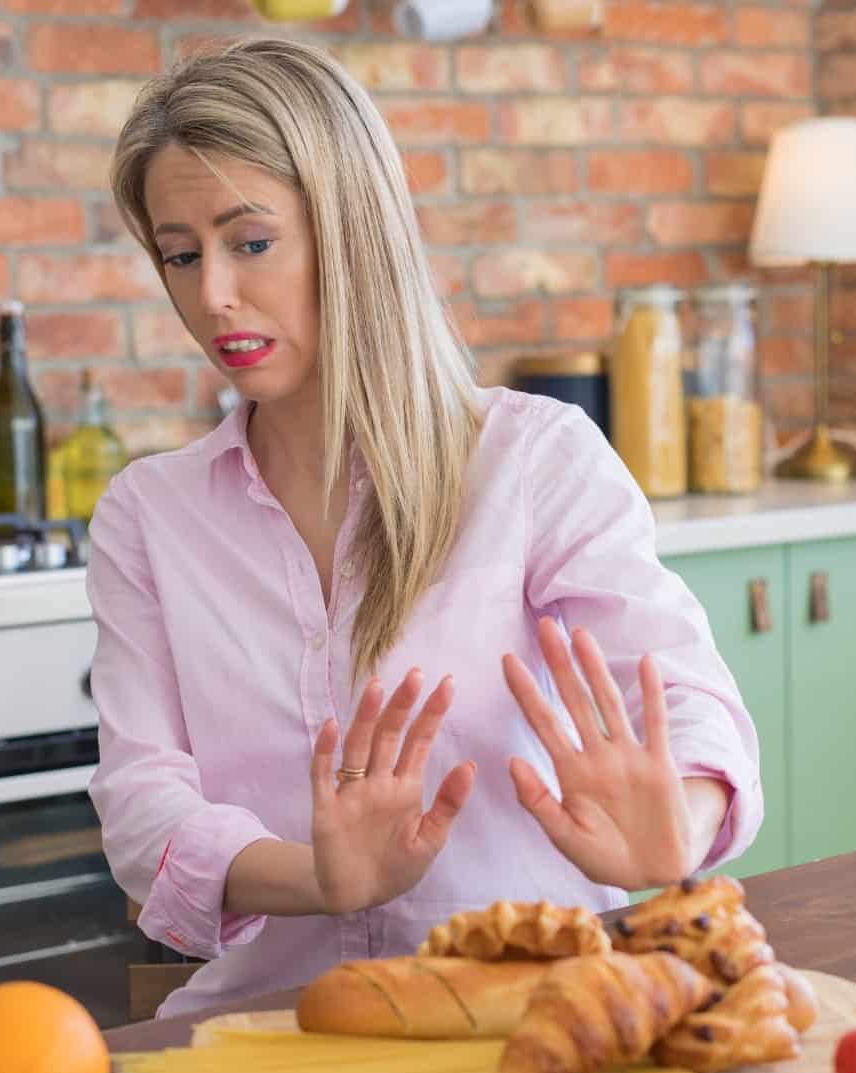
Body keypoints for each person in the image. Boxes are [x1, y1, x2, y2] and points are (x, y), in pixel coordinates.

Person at [89, 36, 761, 1018]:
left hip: (538, 1015)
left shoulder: (533, 460)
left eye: (251, 243)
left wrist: (680, 825)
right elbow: (141, 802)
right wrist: (322, 878)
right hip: (276, 1029)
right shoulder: (148, 516)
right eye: (180, 256)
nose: (212, 296)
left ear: (349, 230)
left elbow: (685, 703)